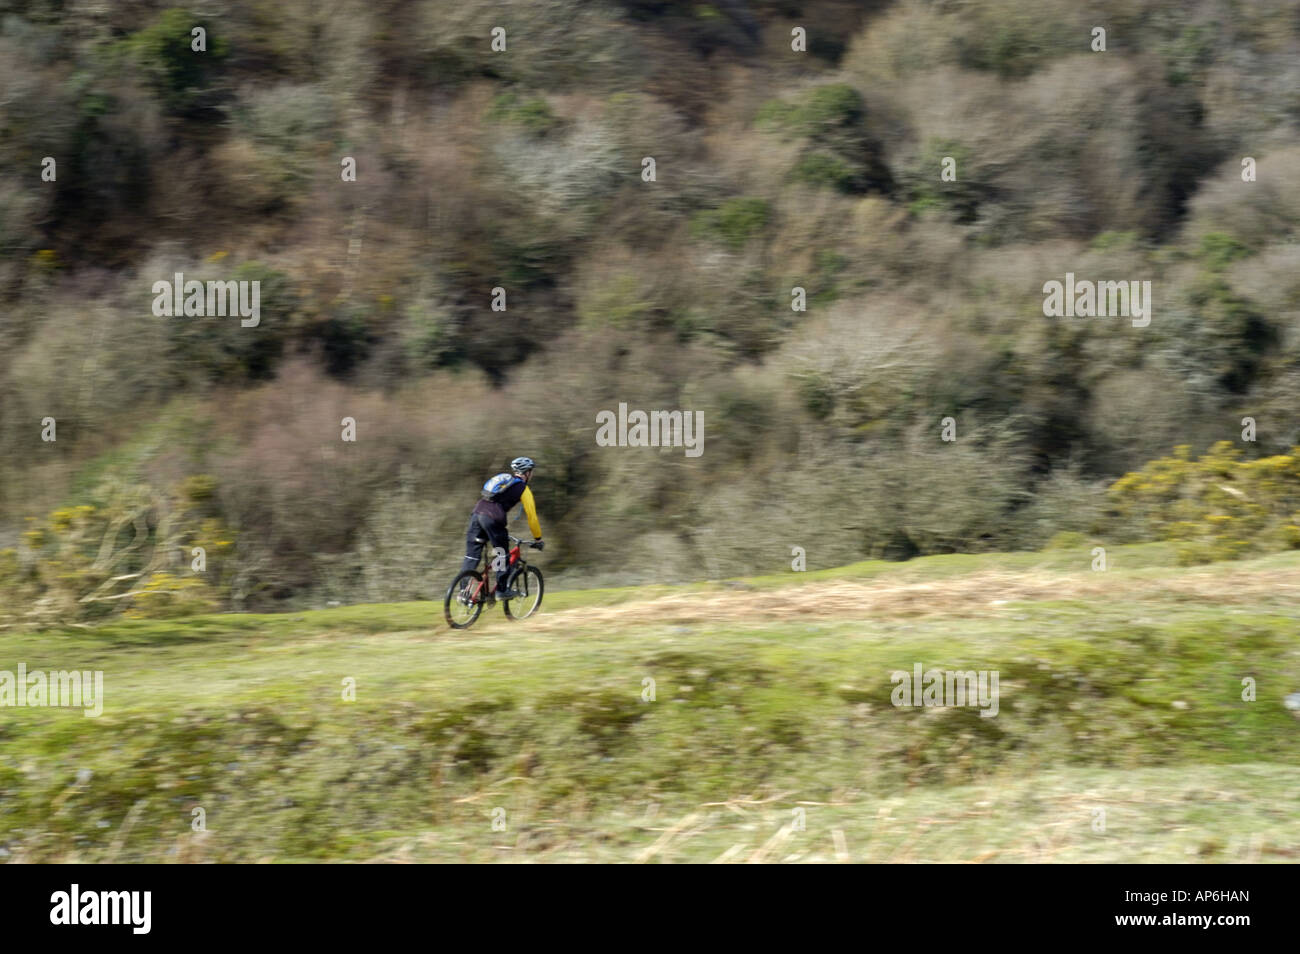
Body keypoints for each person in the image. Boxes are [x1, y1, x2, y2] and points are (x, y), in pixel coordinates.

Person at [460, 456, 543, 600]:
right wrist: (538, 538)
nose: (532, 474)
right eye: (531, 471)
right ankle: (501, 590)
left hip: (476, 514)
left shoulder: (501, 478)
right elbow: (532, 517)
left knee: (471, 556)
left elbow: (487, 492)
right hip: (493, 518)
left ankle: (463, 592)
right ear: (527, 473)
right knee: (502, 554)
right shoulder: (524, 489)